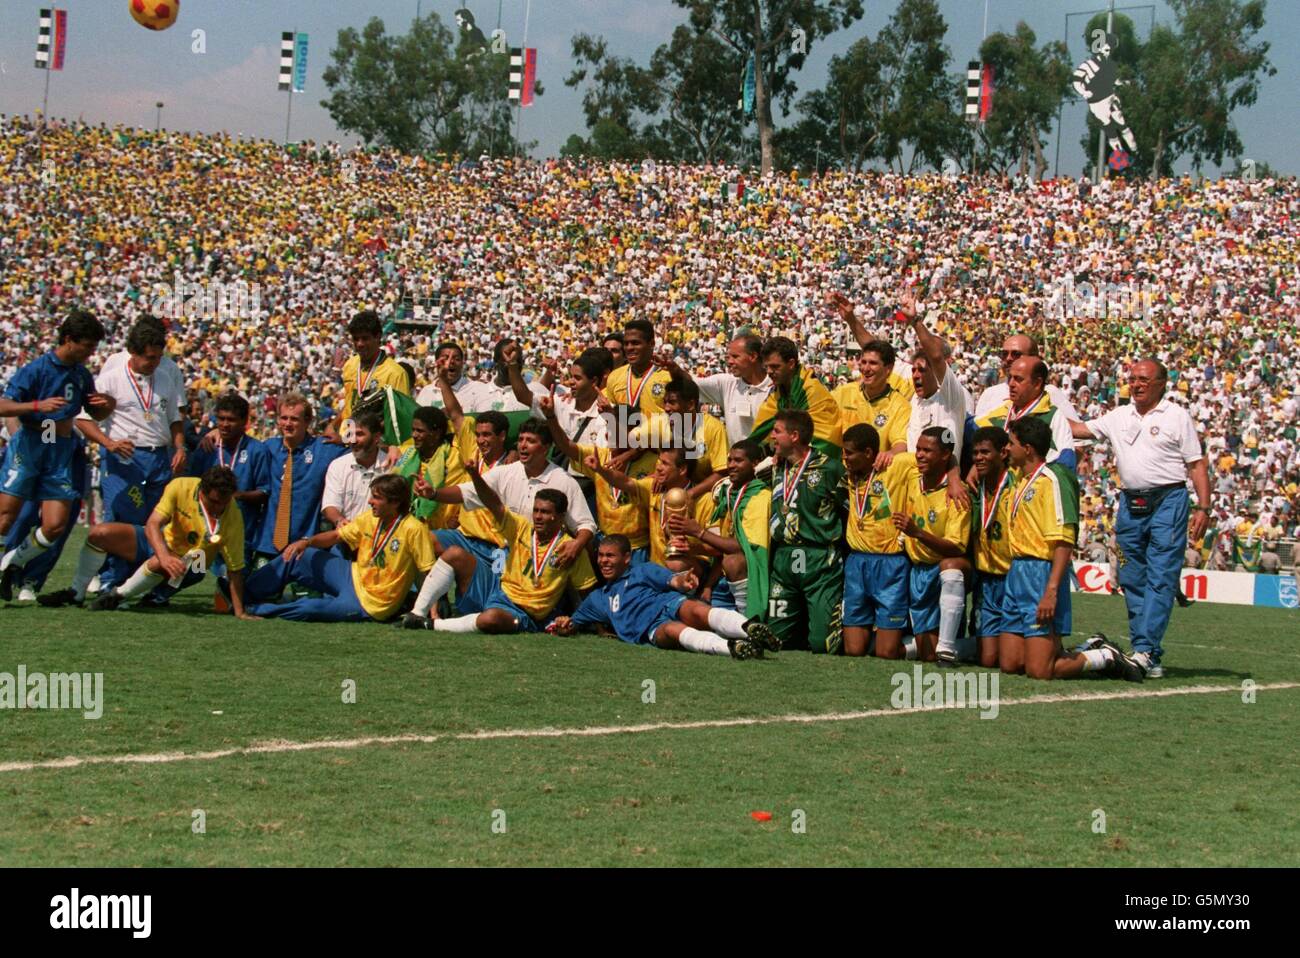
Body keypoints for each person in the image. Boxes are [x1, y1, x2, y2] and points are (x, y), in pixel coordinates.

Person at [1069, 359, 1212, 678]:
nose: (1136, 384)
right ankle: (1147, 653)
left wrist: (1203, 507)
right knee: (1131, 575)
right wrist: (1042, 410)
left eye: (1144, 379)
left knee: (1161, 575)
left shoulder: (1176, 416)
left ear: (1162, 382)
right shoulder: (1118, 416)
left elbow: (1196, 463)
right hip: (1129, 504)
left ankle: (1145, 649)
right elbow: (1080, 429)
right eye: (1132, 379)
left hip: (1168, 502)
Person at [1003, 417, 1143, 681]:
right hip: (1016, 572)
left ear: (1028, 448)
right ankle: (1086, 647)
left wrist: (1051, 590)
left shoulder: (1051, 480)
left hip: (1039, 572)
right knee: (1010, 663)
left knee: (1040, 671)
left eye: (1011, 443)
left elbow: (1064, 540)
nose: (1006, 449)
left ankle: (1105, 657)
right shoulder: (1020, 478)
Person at [65, 316, 188, 594]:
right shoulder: (110, 378)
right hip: (125, 457)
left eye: (158, 357)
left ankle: (145, 582)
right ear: (133, 352)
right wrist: (108, 443)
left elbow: (175, 420)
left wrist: (180, 447)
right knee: (122, 520)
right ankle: (111, 579)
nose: (154, 362)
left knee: (155, 521)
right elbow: (82, 420)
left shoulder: (166, 378)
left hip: (158, 459)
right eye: (149, 357)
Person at [0, 310, 114, 599]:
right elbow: (4, 405)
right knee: (6, 517)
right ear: (68, 339)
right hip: (30, 445)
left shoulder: (81, 374)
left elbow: (94, 411)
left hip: (60, 448)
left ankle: (11, 564)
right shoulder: (36, 369)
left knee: (54, 525)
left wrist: (106, 405)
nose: (91, 352)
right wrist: (37, 406)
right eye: (87, 345)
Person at [404, 462, 596, 633]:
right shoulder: (522, 528)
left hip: (524, 613)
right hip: (498, 590)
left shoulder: (570, 549)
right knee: (454, 554)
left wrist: (579, 623)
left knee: (491, 618)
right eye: (536, 510)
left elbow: (586, 591)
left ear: (560, 517)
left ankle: (432, 625)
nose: (537, 517)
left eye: (545, 512)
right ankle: (416, 614)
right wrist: (475, 476)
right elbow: (494, 503)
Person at [40, 467, 256, 619]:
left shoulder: (233, 517)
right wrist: (163, 554)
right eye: (214, 502)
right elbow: (153, 524)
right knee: (99, 533)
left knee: (162, 562)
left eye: (224, 502)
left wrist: (240, 612)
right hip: (161, 544)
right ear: (202, 492)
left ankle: (116, 596)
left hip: (193, 564)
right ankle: (76, 593)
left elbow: (235, 569)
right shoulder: (181, 486)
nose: (218, 508)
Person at [239, 474, 434, 622]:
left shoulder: (414, 529)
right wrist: (306, 542)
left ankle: (255, 610)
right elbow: (335, 536)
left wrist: (432, 612)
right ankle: (240, 596)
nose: (370, 501)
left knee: (309, 609)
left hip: (372, 604)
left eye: (376, 498)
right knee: (300, 555)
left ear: (395, 502)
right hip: (352, 575)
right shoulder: (369, 518)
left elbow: (427, 572)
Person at [550, 536, 778, 659]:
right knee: (673, 631)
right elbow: (572, 624)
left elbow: (672, 581)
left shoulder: (643, 570)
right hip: (649, 628)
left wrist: (683, 582)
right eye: (600, 556)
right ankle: (733, 648)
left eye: (610, 556)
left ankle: (750, 628)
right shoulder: (598, 598)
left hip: (668, 604)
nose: (603, 561)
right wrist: (563, 625)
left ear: (627, 558)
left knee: (694, 609)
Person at [766, 409, 845, 653]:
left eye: (777, 431)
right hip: (783, 561)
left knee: (823, 645)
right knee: (773, 640)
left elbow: (847, 509)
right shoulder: (776, 467)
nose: (771, 437)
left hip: (820, 561)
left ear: (795, 436)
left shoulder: (830, 469)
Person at [667, 439, 771, 617]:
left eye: (738, 461)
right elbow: (719, 548)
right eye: (729, 460)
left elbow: (743, 548)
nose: (731, 465)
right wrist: (692, 549)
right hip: (719, 574)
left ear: (755, 464)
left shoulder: (760, 496)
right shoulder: (725, 494)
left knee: (733, 561)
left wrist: (698, 532)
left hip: (747, 573)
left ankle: (748, 620)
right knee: (676, 560)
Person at [894, 427, 970, 662]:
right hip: (917, 572)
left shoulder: (958, 494)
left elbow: (956, 548)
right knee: (926, 654)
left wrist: (917, 533)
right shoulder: (912, 478)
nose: (919, 455)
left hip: (943, 573)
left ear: (945, 456)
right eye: (918, 449)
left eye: (928, 450)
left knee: (951, 565)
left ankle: (985, 647)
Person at [838, 424, 913, 658]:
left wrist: (953, 476)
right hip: (857, 563)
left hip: (890, 564)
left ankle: (923, 645)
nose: (845, 459)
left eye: (849, 453)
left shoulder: (896, 465)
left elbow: (943, 452)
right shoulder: (850, 472)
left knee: (887, 652)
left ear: (869, 453)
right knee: (853, 649)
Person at [253, 393, 350, 568]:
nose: (288, 424)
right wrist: (213, 432)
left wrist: (346, 440)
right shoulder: (268, 448)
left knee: (308, 595)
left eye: (294, 419)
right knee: (256, 592)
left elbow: (362, 451)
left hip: (307, 545)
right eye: (284, 418)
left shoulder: (324, 448)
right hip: (268, 542)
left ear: (307, 422)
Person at [184, 393, 271, 572]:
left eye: (231, 420)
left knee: (231, 578)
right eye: (221, 418)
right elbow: (192, 487)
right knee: (193, 572)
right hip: (205, 531)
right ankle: (158, 598)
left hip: (239, 532)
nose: (224, 424)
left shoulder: (257, 450)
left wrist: (237, 496)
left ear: (244, 421)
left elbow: (264, 492)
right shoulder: (207, 448)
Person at [663, 332, 772, 445]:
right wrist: (675, 369)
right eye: (728, 357)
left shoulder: (774, 388)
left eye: (735, 357)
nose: (729, 362)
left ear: (753, 356)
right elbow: (692, 383)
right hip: (736, 460)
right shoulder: (726, 383)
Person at [969, 426, 1016, 670]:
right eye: (975, 453)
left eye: (985, 452)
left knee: (1015, 662)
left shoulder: (1017, 486)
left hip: (1013, 578)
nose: (979, 458)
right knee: (987, 660)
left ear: (1003, 453)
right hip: (986, 580)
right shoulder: (975, 486)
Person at [976, 357, 1075, 469]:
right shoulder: (1000, 411)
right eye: (1010, 378)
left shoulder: (1054, 418)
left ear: (1037, 383)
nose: (1011, 384)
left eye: (1018, 379)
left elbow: (1066, 468)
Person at [749, 337, 843, 457]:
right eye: (766, 367)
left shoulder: (812, 391)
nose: (769, 371)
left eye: (775, 367)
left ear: (791, 364)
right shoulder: (778, 391)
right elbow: (762, 428)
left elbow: (826, 440)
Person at [830, 339, 911, 467]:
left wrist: (890, 454)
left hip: (874, 477)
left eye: (873, 363)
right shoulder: (843, 392)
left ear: (888, 369)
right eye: (863, 362)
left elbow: (900, 443)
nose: (866, 369)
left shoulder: (900, 405)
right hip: (842, 474)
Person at [333, 310, 409, 439]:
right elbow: (349, 405)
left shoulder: (395, 373)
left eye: (365, 338)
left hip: (375, 445)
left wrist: (362, 436)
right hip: (347, 438)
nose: (360, 344)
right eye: (356, 339)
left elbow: (399, 418)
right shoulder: (350, 365)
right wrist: (333, 425)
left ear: (378, 337)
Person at [390, 405, 465, 529]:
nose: (414, 435)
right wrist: (391, 447)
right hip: (404, 524)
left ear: (436, 433)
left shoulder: (455, 458)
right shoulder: (406, 453)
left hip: (443, 529)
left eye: (420, 431)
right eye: (413, 430)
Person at [974, 334, 1079, 420]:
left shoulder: (1051, 393)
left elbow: (1078, 442)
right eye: (1004, 354)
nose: (1008, 358)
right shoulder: (990, 394)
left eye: (1016, 354)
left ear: (1034, 358)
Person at [322, 411, 388, 527]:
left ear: (376, 437)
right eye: (350, 434)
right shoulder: (338, 466)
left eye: (359, 434)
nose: (353, 440)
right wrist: (339, 520)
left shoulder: (390, 466)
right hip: (344, 538)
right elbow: (330, 505)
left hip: (379, 539)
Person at [604, 319, 673, 417]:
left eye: (635, 343)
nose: (629, 348)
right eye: (626, 343)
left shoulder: (668, 376)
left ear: (651, 343)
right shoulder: (614, 376)